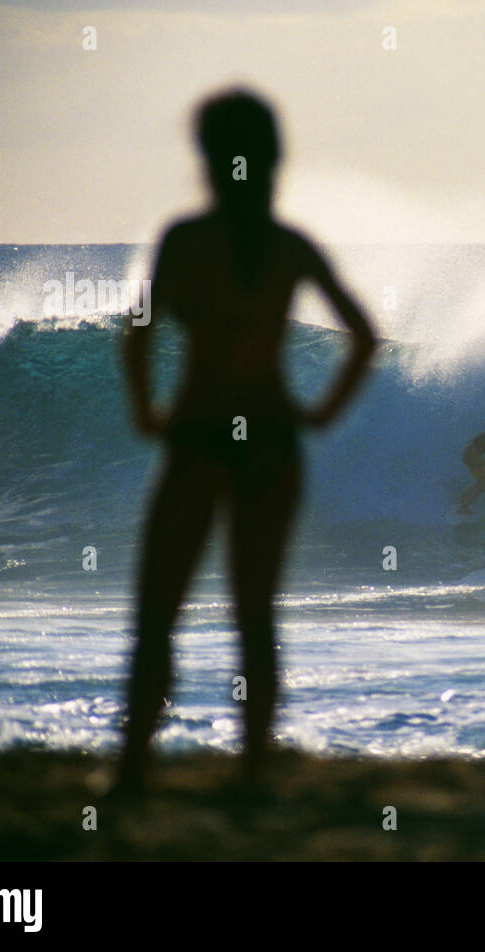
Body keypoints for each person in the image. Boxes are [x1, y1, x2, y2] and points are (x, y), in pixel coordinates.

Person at [115, 89, 376, 794]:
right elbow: (365, 336)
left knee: (158, 613)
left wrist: (146, 409)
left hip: (198, 438)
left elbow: (136, 333)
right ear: (273, 160)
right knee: (254, 618)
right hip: (271, 445)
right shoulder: (290, 248)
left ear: (206, 158)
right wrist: (320, 414)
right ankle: (254, 772)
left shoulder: (186, 241)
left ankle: (133, 769)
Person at [456, 429, 485, 514]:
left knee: (484, 480)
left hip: (468, 452)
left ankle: (464, 496)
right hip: (472, 454)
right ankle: (463, 507)